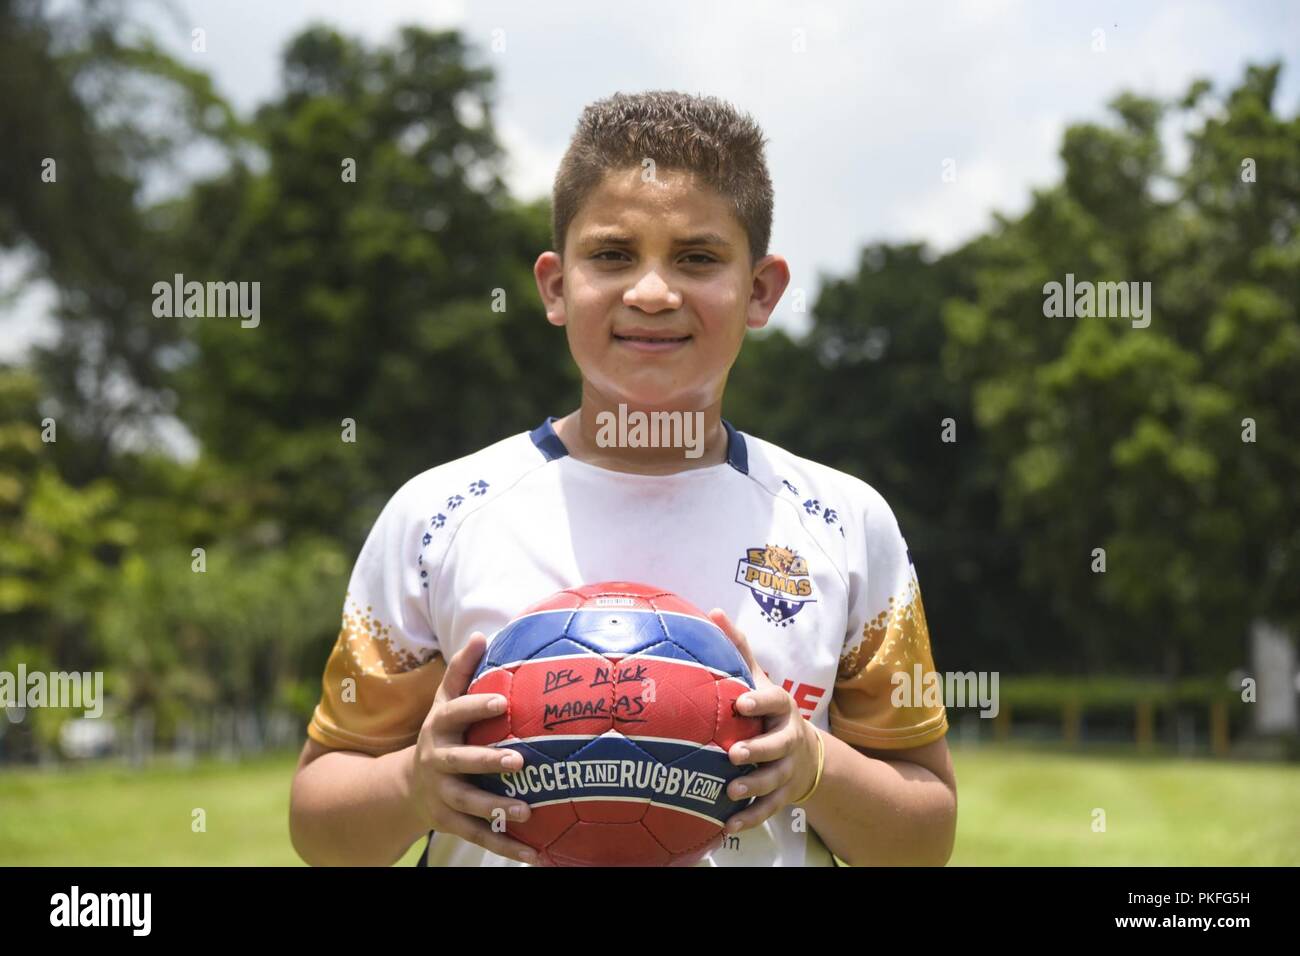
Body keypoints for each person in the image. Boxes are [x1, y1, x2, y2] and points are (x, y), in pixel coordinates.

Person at [289, 90, 956, 867]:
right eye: (612, 255)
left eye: (697, 258)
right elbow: (319, 825)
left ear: (762, 290)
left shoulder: (842, 522)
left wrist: (813, 766)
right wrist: (413, 785)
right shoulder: (437, 514)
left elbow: (924, 838)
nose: (651, 292)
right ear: (555, 286)